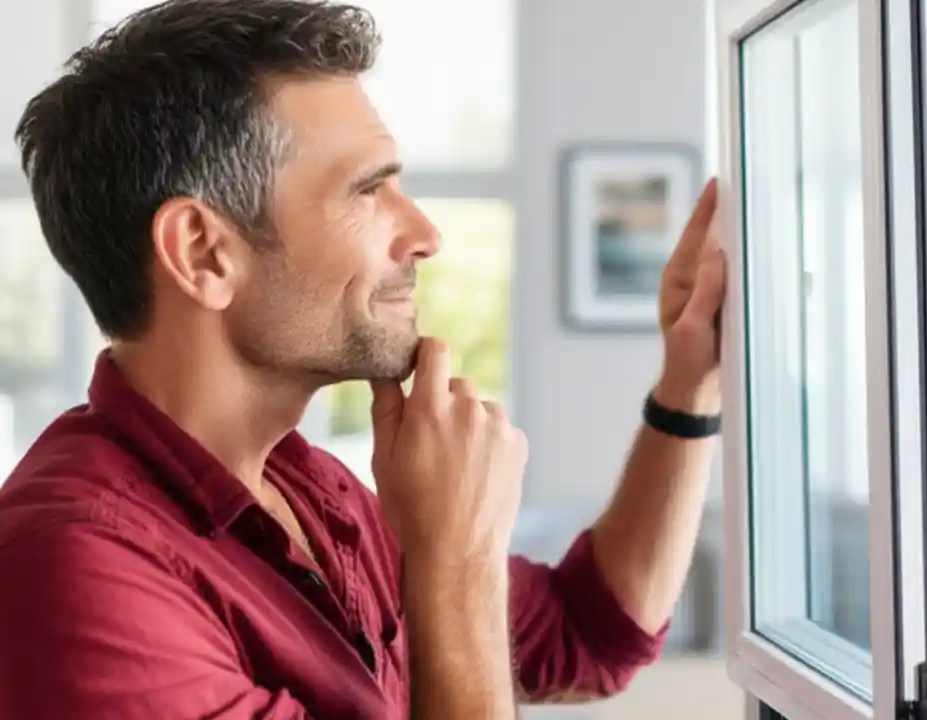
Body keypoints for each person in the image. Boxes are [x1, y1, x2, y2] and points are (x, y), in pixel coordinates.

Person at [0, 2, 726, 718]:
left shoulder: (316, 490)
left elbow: (591, 636)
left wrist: (688, 387)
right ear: (202, 252)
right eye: (368, 190)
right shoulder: (76, 573)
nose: (425, 233)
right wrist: (457, 564)